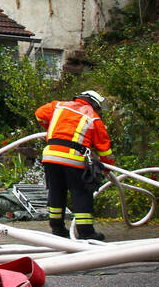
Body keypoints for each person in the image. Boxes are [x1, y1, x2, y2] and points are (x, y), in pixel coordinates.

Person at [34, 90, 114, 241]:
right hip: (73, 159)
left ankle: (57, 228)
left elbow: (39, 114)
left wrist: (52, 128)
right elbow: (104, 149)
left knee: (56, 191)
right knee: (81, 192)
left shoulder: (58, 106)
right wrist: (107, 167)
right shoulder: (93, 117)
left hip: (50, 156)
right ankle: (86, 232)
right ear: (94, 104)